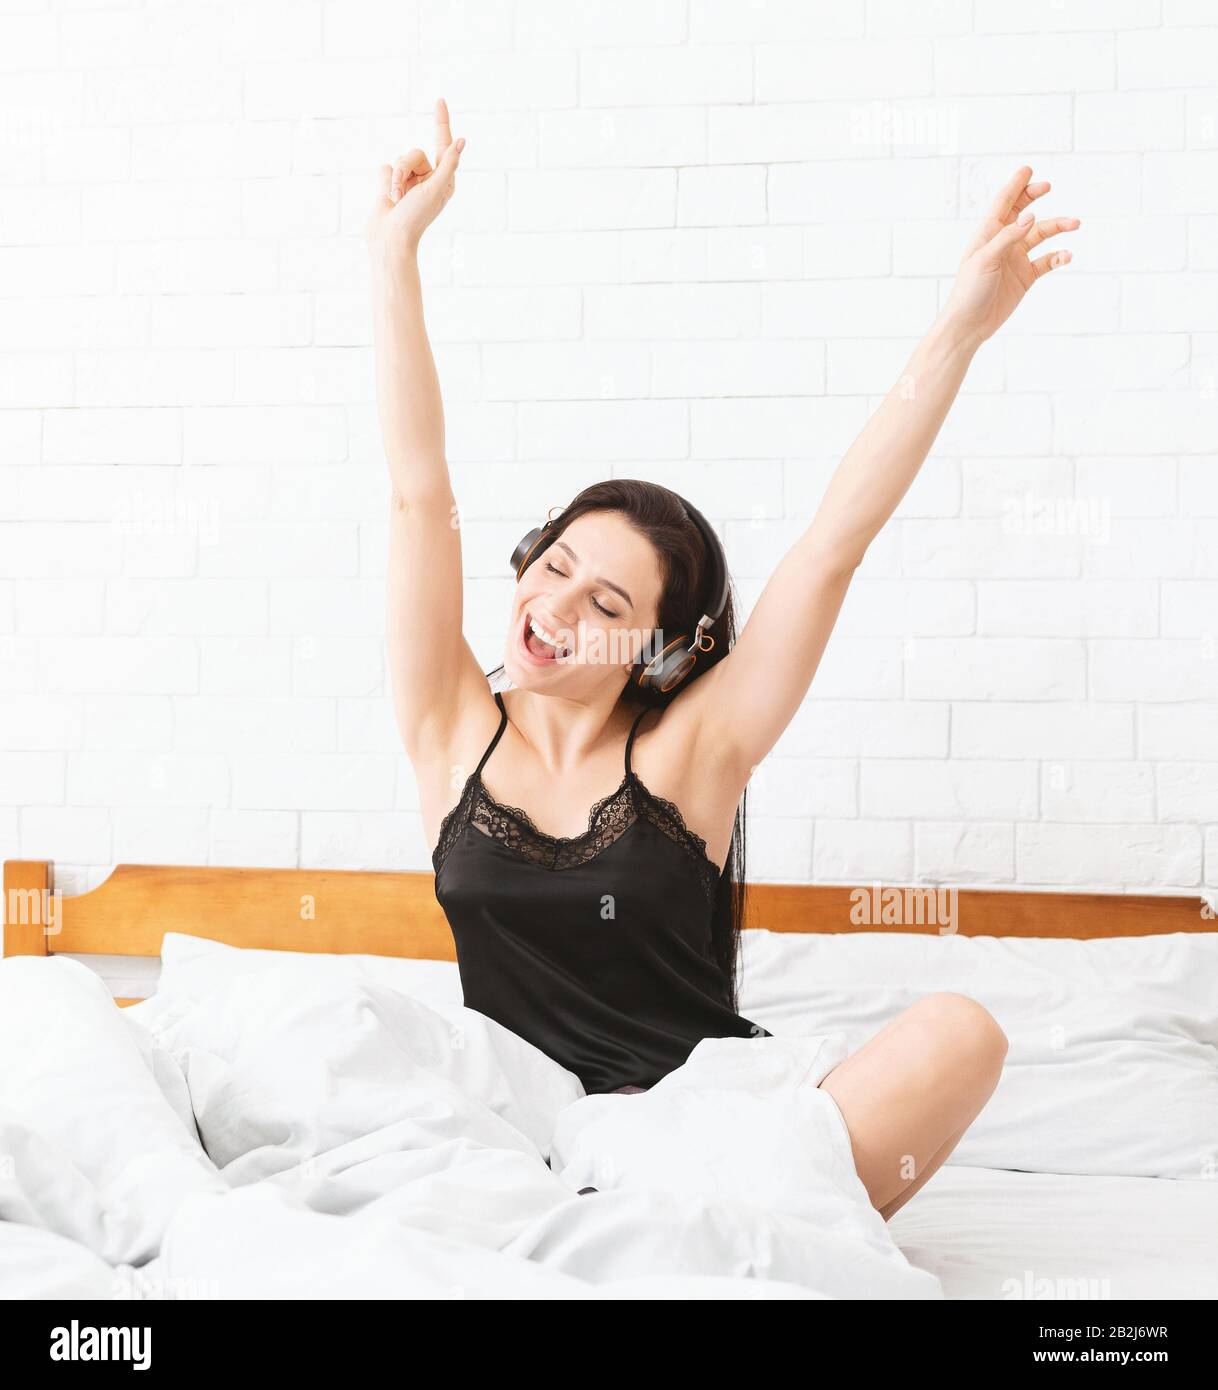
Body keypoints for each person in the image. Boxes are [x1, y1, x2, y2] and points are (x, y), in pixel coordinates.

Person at [365, 98, 1079, 1221]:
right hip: (512, 1139)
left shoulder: (695, 749)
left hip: (705, 1133)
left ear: (656, 651)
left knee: (963, 1031)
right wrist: (393, 252)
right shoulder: (449, 724)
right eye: (549, 565)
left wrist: (959, 330)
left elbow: (830, 548)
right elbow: (419, 490)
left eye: (603, 598)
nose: (552, 603)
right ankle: (657, 1226)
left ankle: (715, 1221)